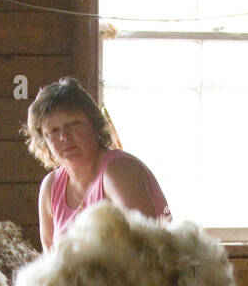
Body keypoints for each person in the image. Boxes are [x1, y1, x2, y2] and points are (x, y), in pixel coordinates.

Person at [23, 77, 170, 251]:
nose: (64, 136)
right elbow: (50, 257)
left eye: (73, 124)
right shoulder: (51, 186)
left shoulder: (118, 171)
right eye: (53, 131)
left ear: (94, 125)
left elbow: (148, 247)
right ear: (43, 140)